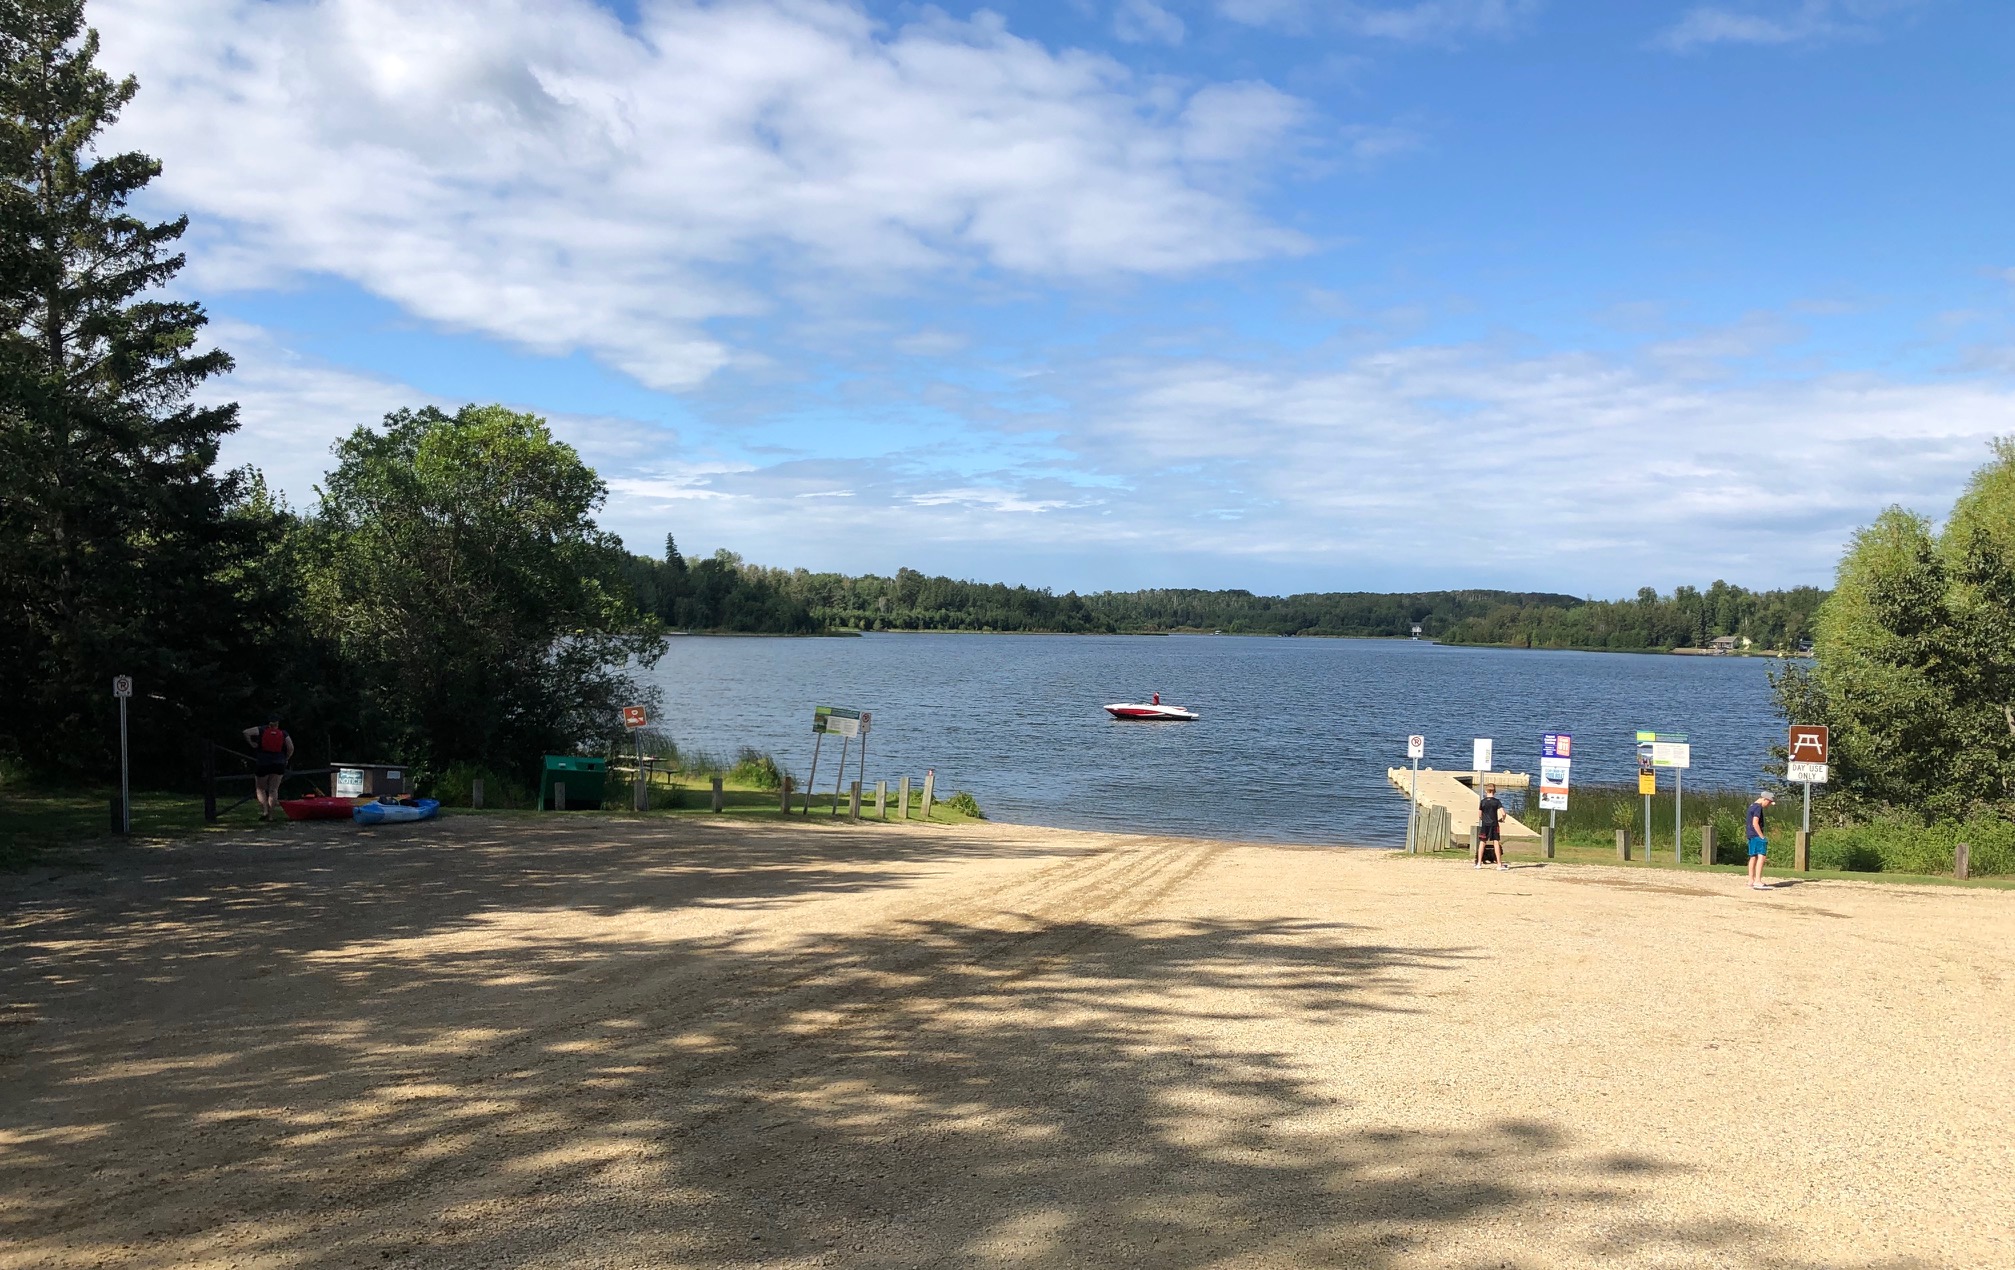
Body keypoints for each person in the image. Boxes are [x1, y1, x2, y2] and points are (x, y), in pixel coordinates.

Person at [242, 714, 294, 821]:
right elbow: (291, 747)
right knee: (273, 789)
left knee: (260, 789)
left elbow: (246, 732)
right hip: (279, 763)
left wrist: (252, 744)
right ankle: (270, 816)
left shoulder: (261, 730)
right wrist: (286, 758)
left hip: (263, 762)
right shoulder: (283, 733)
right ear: (278, 723)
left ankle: (265, 811)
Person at [1745, 791, 1775, 890]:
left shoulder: (1752, 806)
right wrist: (1762, 836)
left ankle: (1751, 880)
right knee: (1761, 856)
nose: (1768, 805)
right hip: (1756, 835)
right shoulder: (1758, 807)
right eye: (1769, 802)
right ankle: (1757, 880)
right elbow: (1755, 823)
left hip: (1750, 834)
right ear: (1764, 799)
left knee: (1753, 856)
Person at [1475, 783, 1506, 870]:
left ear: (1486, 791)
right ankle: (1499, 864)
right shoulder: (1496, 801)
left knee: (1482, 842)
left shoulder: (1483, 801)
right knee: (1496, 842)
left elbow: (1479, 814)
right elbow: (1503, 813)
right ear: (1494, 791)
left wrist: (1482, 818)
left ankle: (1479, 863)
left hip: (1485, 825)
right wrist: (1502, 819)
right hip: (1494, 824)